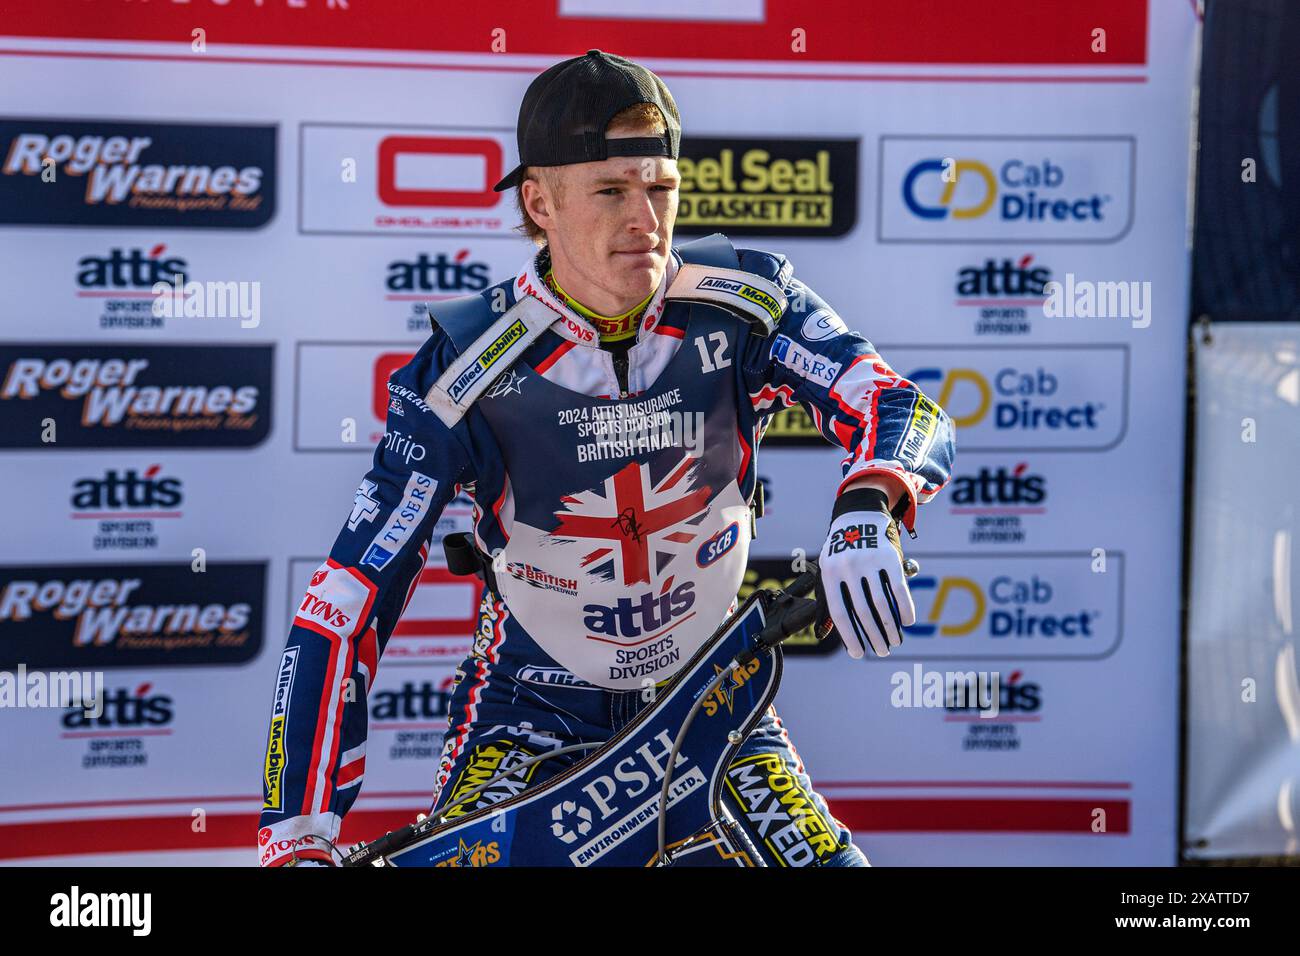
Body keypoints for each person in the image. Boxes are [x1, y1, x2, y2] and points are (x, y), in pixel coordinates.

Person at [257, 50, 955, 868]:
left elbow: (894, 401)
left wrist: (871, 500)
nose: (646, 220)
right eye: (612, 190)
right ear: (539, 201)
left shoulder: (743, 304)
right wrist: (297, 833)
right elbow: (350, 593)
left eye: (660, 187)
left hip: (709, 699)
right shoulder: (465, 366)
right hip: (528, 714)